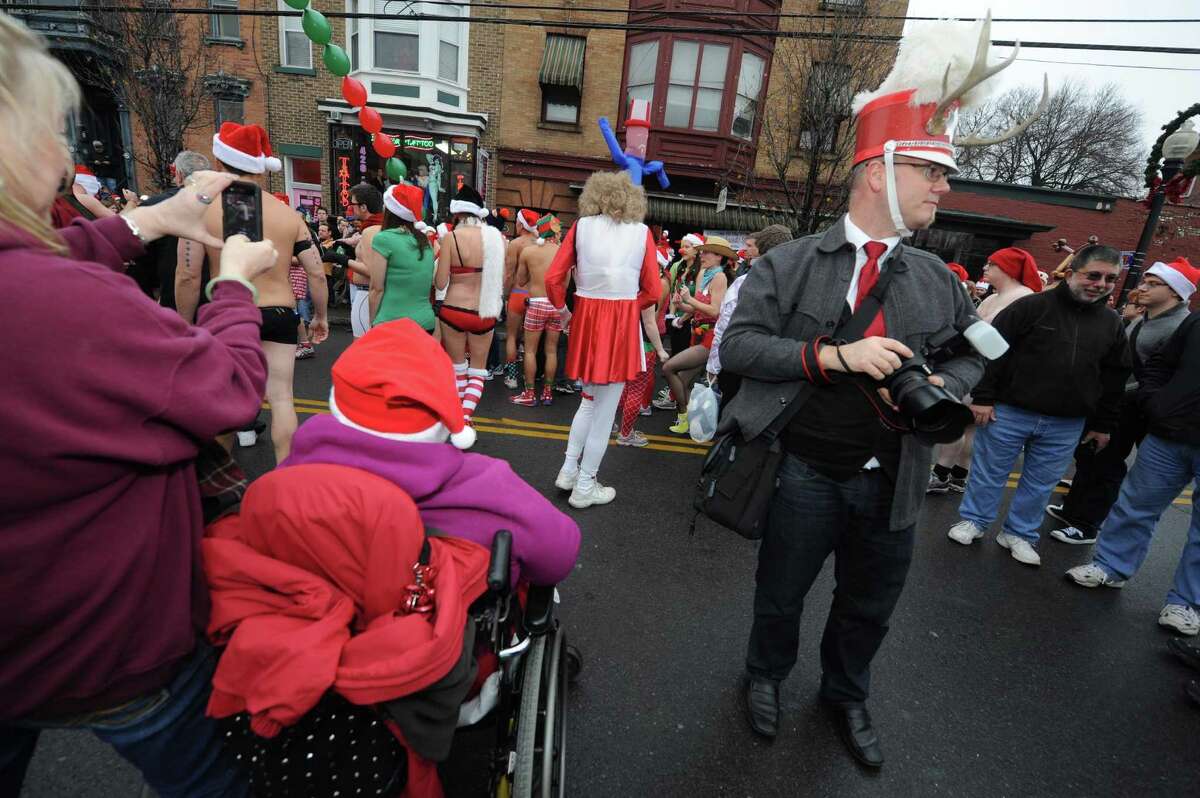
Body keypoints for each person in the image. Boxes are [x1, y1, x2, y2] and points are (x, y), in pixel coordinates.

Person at [0, 16, 277, 793]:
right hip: (105, 650)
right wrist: (238, 286)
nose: (63, 157)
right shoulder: (62, 304)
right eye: (49, 131)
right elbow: (227, 388)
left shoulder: (47, 281)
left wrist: (148, 221)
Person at [721, 17, 997, 765]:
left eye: (945, 173)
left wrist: (950, 379)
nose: (945, 185)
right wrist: (835, 358)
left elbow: (985, 351)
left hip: (897, 484)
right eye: (931, 171)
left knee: (868, 608)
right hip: (804, 474)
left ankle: (846, 696)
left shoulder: (940, 279)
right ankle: (765, 678)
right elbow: (740, 346)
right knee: (781, 595)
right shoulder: (793, 262)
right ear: (880, 169)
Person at [947, 243, 1131, 566]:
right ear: (1072, 273)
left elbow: (1114, 378)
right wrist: (984, 398)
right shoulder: (1030, 308)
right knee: (990, 472)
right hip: (1010, 410)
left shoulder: (1112, 324)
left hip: (1067, 421)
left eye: (1110, 279)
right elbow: (993, 353)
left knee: (1040, 483)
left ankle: (1019, 533)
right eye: (1094, 275)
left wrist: (1103, 424)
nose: (1100, 284)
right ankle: (975, 521)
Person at [188, 122, 329, 465]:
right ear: (261, 170)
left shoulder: (201, 206)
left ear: (220, 162)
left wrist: (182, 322)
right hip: (279, 312)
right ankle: (286, 478)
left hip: (226, 311)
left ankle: (217, 488)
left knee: (222, 400)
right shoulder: (288, 214)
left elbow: (188, 274)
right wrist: (321, 316)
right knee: (281, 398)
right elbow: (315, 269)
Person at [1064, 307, 1200, 636]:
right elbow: (1161, 364)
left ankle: (1185, 602)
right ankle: (1110, 566)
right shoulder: (1195, 322)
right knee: (1135, 505)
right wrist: (1156, 403)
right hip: (1169, 434)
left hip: (1170, 428)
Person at [1048, 258, 1197, 545]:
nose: (1143, 288)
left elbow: (1164, 374)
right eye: (1145, 281)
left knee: (1109, 464)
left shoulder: (1180, 326)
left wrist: (1144, 399)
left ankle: (1087, 524)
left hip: (1137, 408)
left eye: (1153, 284)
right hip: (1117, 402)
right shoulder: (1144, 319)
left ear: (1177, 292)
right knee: (1091, 456)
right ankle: (1074, 510)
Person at [545, 171, 660, 508]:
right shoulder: (641, 234)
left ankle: (568, 471)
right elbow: (653, 290)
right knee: (605, 409)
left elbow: (554, 279)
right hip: (620, 323)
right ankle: (584, 485)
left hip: (586, 318)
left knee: (589, 402)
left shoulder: (581, 227)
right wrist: (626, 305)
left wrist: (566, 312)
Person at [928, 246, 1041, 494]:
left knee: (960, 421)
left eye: (992, 264)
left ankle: (942, 474)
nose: (985, 268)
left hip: (992, 371)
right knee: (968, 426)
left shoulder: (1024, 298)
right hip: (974, 366)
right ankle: (958, 475)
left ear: (1008, 269)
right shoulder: (992, 297)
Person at [437, 184, 505, 423]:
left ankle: (458, 416)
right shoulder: (497, 239)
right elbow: (501, 280)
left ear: (458, 214)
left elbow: (440, 282)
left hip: (453, 309)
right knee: (478, 369)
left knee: (458, 368)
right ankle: (465, 419)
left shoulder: (451, 238)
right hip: (484, 311)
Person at [705, 224, 793, 396]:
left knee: (728, 410)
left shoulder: (745, 281)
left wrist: (713, 366)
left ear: (762, 247)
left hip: (740, 359)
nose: (747, 249)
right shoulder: (796, 281)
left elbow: (725, 325)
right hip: (776, 366)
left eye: (752, 245)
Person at [662, 236, 734, 434]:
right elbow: (695, 308)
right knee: (683, 381)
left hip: (710, 337)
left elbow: (714, 311)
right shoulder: (704, 273)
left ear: (719, 257)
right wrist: (681, 303)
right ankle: (690, 422)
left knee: (669, 368)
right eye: (702, 251)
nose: (702, 255)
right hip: (696, 333)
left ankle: (685, 415)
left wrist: (688, 301)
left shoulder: (720, 277)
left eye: (707, 252)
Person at [365, 182, 441, 332]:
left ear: (390, 210)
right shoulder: (424, 240)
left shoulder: (383, 239)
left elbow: (376, 289)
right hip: (425, 322)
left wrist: (372, 324)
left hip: (392, 321)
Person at [510, 214, 567, 406]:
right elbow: (565, 283)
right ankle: (548, 392)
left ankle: (529, 393)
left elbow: (520, 280)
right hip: (555, 305)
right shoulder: (563, 253)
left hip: (536, 302)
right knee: (551, 351)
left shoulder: (529, 251)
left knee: (530, 351)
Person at [503, 208, 540, 388]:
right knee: (529, 343)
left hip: (517, 294)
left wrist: (505, 294)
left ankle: (511, 378)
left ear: (520, 224)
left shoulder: (515, 244)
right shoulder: (540, 243)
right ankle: (528, 379)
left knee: (511, 337)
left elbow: (509, 274)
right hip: (534, 296)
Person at [346, 182, 384, 337]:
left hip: (366, 295)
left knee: (362, 351)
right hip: (367, 294)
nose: (350, 207)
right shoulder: (377, 227)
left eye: (352, 204)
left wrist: (343, 260)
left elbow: (371, 271)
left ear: (363, 207)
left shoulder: (371, 230)